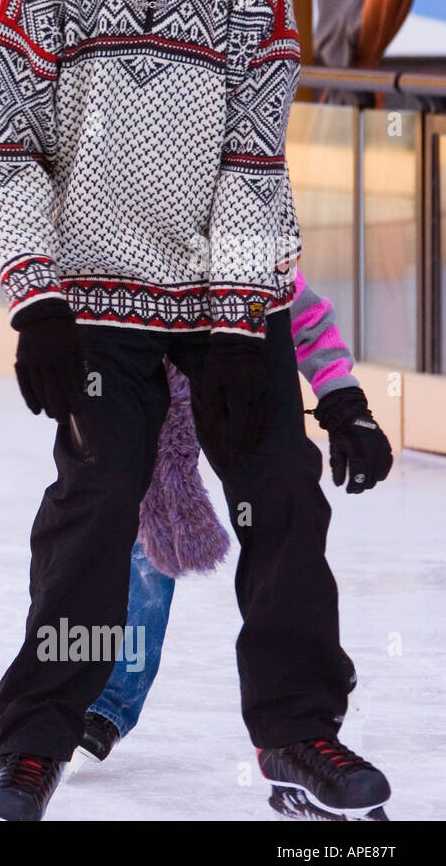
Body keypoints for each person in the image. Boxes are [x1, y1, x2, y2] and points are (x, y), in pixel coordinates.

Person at [0, 0, 391, 821]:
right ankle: (36, 738)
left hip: (226, 300)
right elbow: (7, 150)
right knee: (98, 496)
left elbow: (253, 164)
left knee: (281, 490)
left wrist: (239, 326)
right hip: (92, 300)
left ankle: (297, 729)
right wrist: (37, 303)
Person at [65, 271, 394, 823]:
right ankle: (108, 704)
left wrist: (340, 396)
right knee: (142, 553)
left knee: (283, 528)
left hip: (246, 402)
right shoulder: (114, 251)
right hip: (157, 418)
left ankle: (312, 688)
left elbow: (309, 321)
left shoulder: (256, 250)